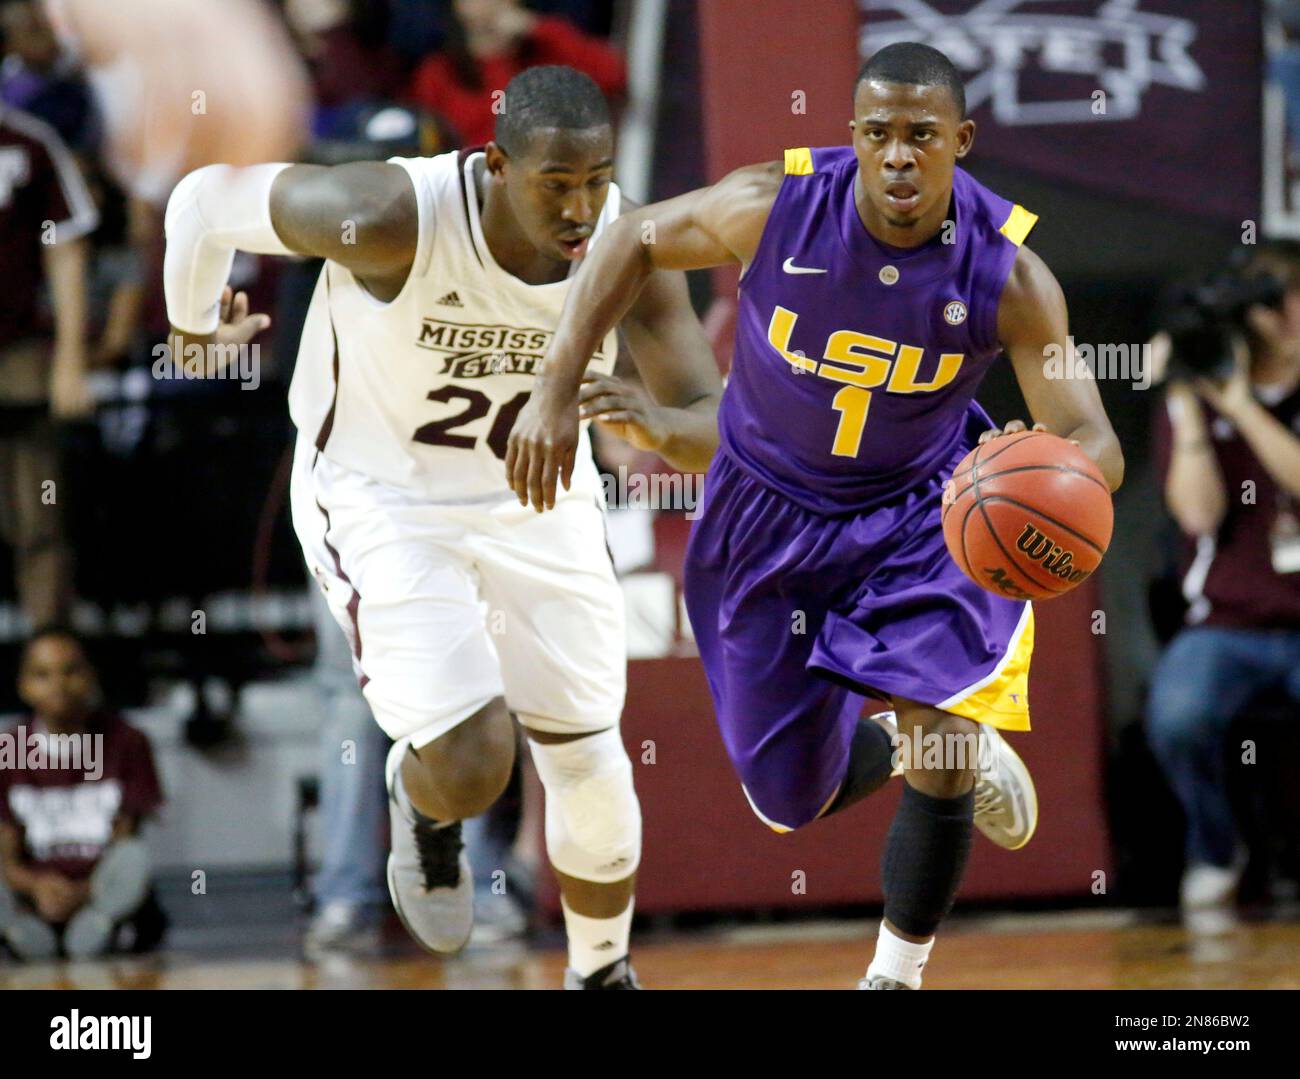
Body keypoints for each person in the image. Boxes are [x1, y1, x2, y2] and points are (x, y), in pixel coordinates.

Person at [507, 42, 1124, 990]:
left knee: (940, 734)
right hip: (765, 514)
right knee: (787, 799)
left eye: (923, 135)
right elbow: (627, 238)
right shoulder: (772, 205)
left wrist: (1063, 477)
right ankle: (918, 745)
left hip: (930, 512)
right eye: (878, 133)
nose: (900, 156)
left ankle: (896, 972)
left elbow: (1090, 429)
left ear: (960, 141)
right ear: (854, 139)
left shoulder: (1010, 277)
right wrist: (556, 386)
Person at [162, 65, 722, 989]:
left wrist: (661, 425)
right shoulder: (389, 214)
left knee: (590, 755)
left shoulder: (626, 250)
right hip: (384, 496)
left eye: (596, 180)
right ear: (497, 164)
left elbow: (713, 419)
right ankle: (421, 807)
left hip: (536, 495)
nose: (582, 208)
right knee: (471, 760)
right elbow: (201, 201)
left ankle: (599, 972)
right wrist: (192, 325)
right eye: (556, 183)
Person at [1148, 245, 1300, 915]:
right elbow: (1198, 512)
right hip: (1230, 624)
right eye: (1273, 304)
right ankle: (1216, 847)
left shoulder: (1248, 398)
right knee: (1178, 713)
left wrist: (1243, 407)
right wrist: (1190, 408)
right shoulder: (1198, 397)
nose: (1283, 318)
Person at [0, 627, 164, 960]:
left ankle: (102, 926)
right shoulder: (8, 748)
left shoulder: (127, 742)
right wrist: (36, 887)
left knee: (133, 859)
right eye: (42, 674)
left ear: (91, 676)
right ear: (23, 685)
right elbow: (6, 856)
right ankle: (21, 929)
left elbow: (125, 843)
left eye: (71, 671)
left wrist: (85, 892)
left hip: (101, 890)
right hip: (35, 895)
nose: (59, 684)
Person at [0, 101, 97, 629]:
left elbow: (66, 246)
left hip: (18, 354)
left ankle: (49, 647)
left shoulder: (29, 143)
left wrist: (69, 358)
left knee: (39, 518)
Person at [407, 0, 626, 148]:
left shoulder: (544, 50)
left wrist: (536, 27)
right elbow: (424, 138)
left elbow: (612, 74)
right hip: (471, 189)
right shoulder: (440, 72)